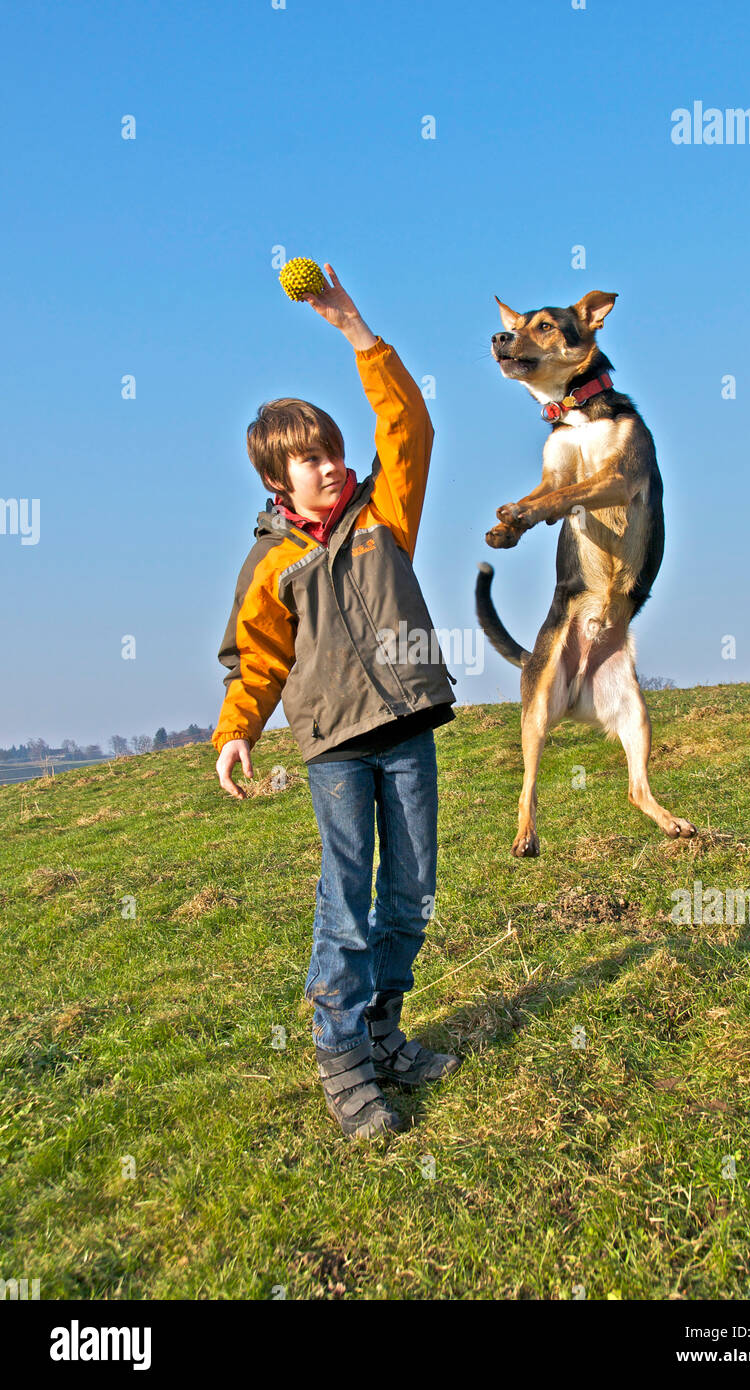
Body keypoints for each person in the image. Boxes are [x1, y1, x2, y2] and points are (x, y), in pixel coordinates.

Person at [211, 264, 460, 1139]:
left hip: (405, 727)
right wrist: (235, 733)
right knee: (347, 895)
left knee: (415, 889)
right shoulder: (272, 563)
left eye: (332, 449)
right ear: (278, 481)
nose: (330, 465)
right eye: (310, 458)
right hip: (334, 745)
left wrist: (355, 328)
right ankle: (341, 1055)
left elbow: (410, 426)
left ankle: (385, 1030)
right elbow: (256, 656)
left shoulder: (383, 512)